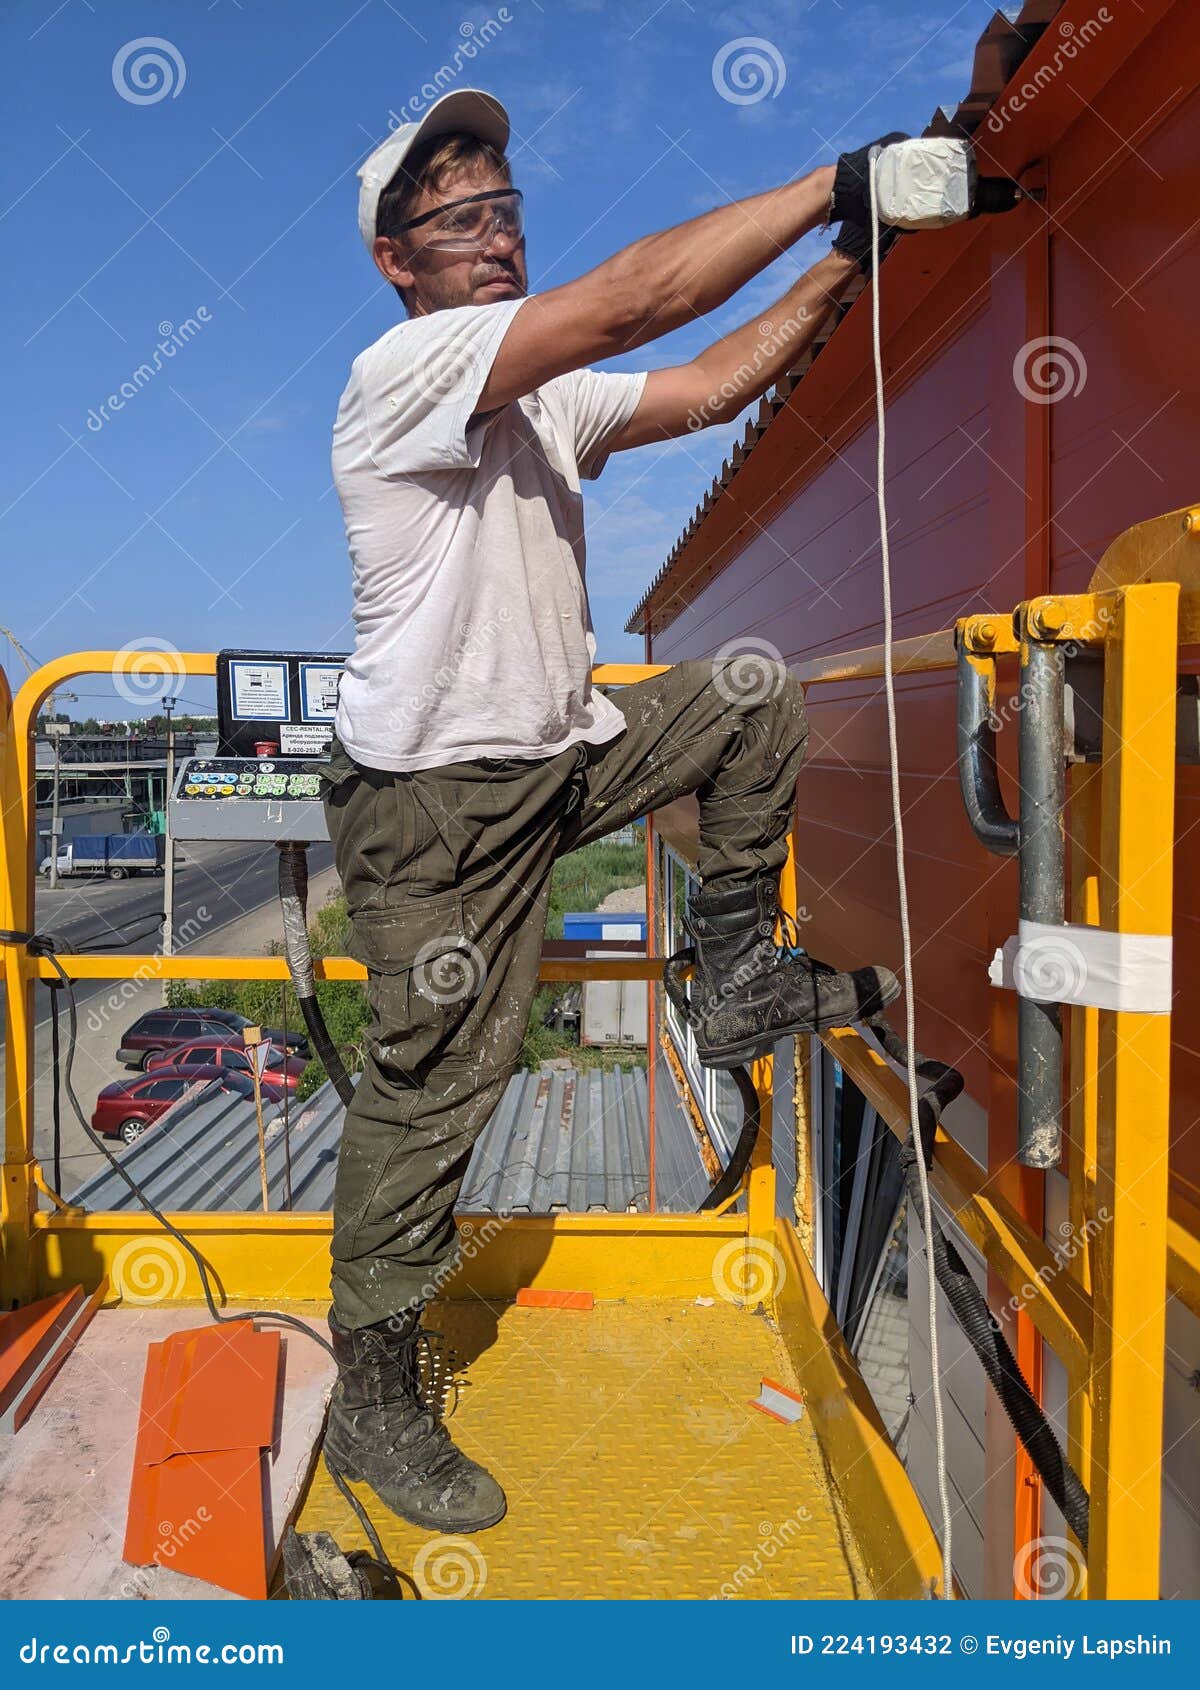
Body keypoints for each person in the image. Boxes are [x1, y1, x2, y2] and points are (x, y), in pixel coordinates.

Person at [322, 89, 920, 1534]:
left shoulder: (542, 400)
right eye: (460, 219)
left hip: (557, 754)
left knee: (749, 699)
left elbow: (709, 383)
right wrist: (834, 180)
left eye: (507, 210)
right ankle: (373, 1398)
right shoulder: (406, 369)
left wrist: (862, 245)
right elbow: (637, 303)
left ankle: (739, 975)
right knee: (437, 1088)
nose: (495, 237)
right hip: (435, 808)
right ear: (398, 261)